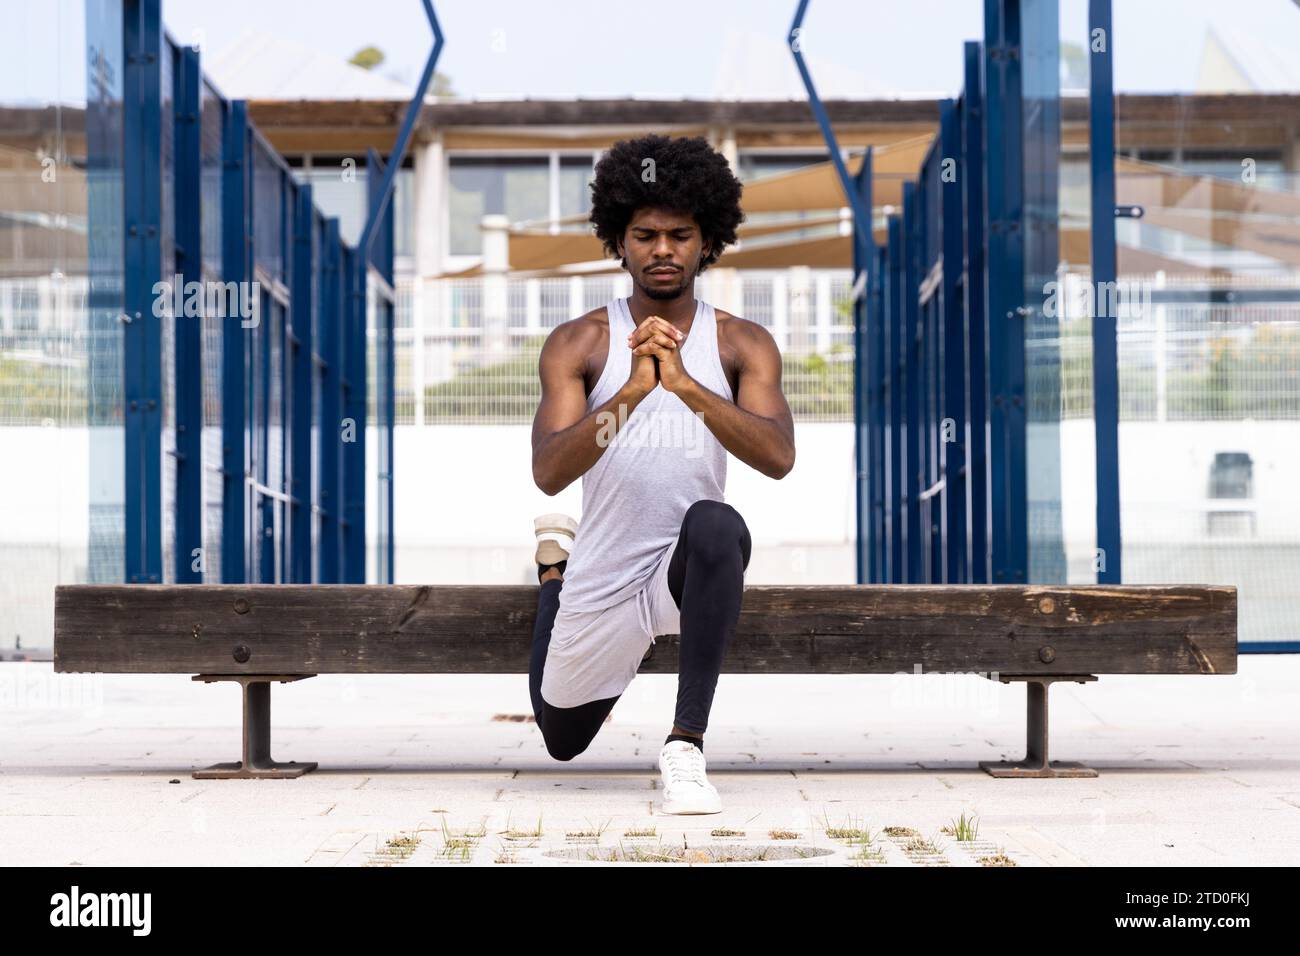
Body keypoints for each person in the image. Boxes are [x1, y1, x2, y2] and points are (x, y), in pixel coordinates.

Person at [528, 133, 795, 814]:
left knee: (716, 524)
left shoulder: (741, 342)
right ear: (620, 242)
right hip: (607, 576)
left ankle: (686, 745)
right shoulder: (580, 341)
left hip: (684, 570)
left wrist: (682, 384)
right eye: (645, 234)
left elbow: (777, 457)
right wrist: (633, 391)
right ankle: (554, 570)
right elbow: (550, 473)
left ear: (708, 242)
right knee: (561, 739)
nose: (663, 249)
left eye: (680, 234)